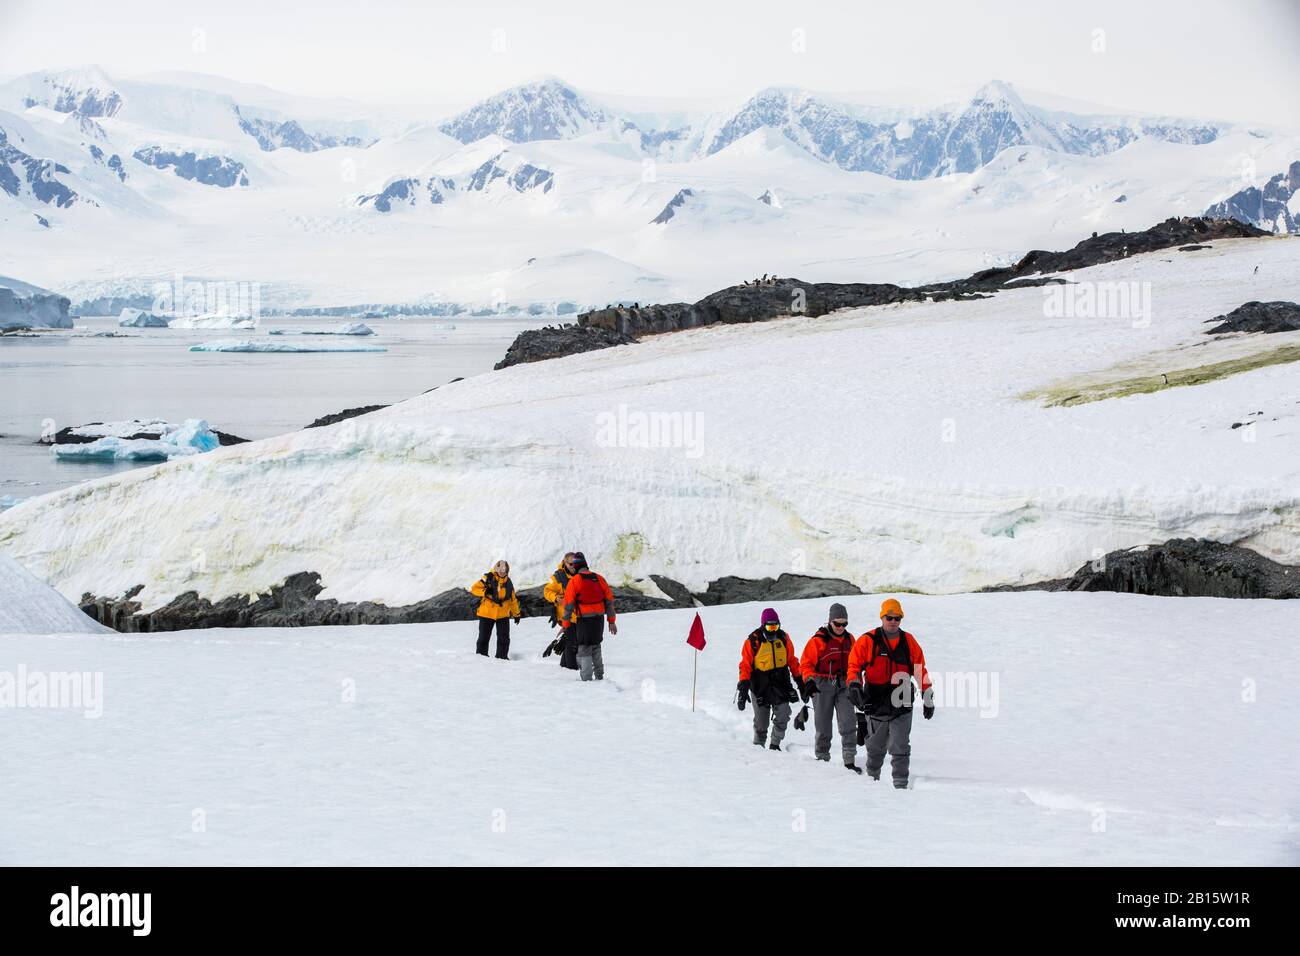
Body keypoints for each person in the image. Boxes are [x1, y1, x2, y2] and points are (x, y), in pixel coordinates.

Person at [846, 598, 933, 788]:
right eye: (889, 617)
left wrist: (927, 695)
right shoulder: (868, 640)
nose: (893, 621)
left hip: (902, 700)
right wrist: (854, 685)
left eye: (897, 618)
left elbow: (919, 670)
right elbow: (853, 666)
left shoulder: (908, 641)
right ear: (882, 617)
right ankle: (871, 782)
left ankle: (900, 786)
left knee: (900, 747)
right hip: (875, 701)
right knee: (875, 749)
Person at [799, 602, 860, 773]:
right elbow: (806, 664)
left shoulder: (850, 640)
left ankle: (849, 760)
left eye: (844, 624)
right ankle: (822, 757)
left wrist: (857, 683)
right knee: (823, 724)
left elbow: (856, 664)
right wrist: (809, 680)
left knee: (848, 721)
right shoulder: (818, 641)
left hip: (844, 683)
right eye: (837, 624)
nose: (841, 627)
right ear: (830, 621)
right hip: (822, 684)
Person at [736, 607, 802, 751]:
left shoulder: (784, 638)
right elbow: (745, 665)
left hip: (780, 683)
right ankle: (758, 747)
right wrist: (743, 688)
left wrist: (800, 682)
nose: (772, 630)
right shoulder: (753, 641)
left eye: (775, 626)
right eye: (769, 626)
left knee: (784, 713)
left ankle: (775, 744)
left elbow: (792, 660)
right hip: (760, 685)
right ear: (763, 625)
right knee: (761, 723)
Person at [561, 552, 618, 681]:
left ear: (575, 566)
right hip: (599, 620)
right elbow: (609, 601)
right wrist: (611, 621)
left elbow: (568, 605)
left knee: (584, 649)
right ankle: (599, 676)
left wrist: (565, 624)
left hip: (584, 621)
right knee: (596, 646)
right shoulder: (599, 578)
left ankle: (586, 680)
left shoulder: (575, 581)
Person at [470, 560, 521, 659]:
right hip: (486, 613)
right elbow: (474, 589)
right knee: (483, 638)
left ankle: (502, 658)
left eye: (504, 570)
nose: (502, 571)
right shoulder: (487, 578)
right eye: (500, 569)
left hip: (503, 615)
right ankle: (481, 658)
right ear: (496, 569)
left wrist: (516, 614)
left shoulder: (509, 583)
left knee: (504, 639)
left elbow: (513, 600)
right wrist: (485, 592)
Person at [543, 552, 580, 670]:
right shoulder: (557, 577)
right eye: (570, 564)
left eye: (575, 564)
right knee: (572, 644)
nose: (573, 566)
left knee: (573, 642)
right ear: (564, 562)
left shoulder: (580, 573)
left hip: (579, 616)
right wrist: (555, 597)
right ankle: (571, 670)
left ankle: (564, 666)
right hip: (566, 617)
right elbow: (546, 591)